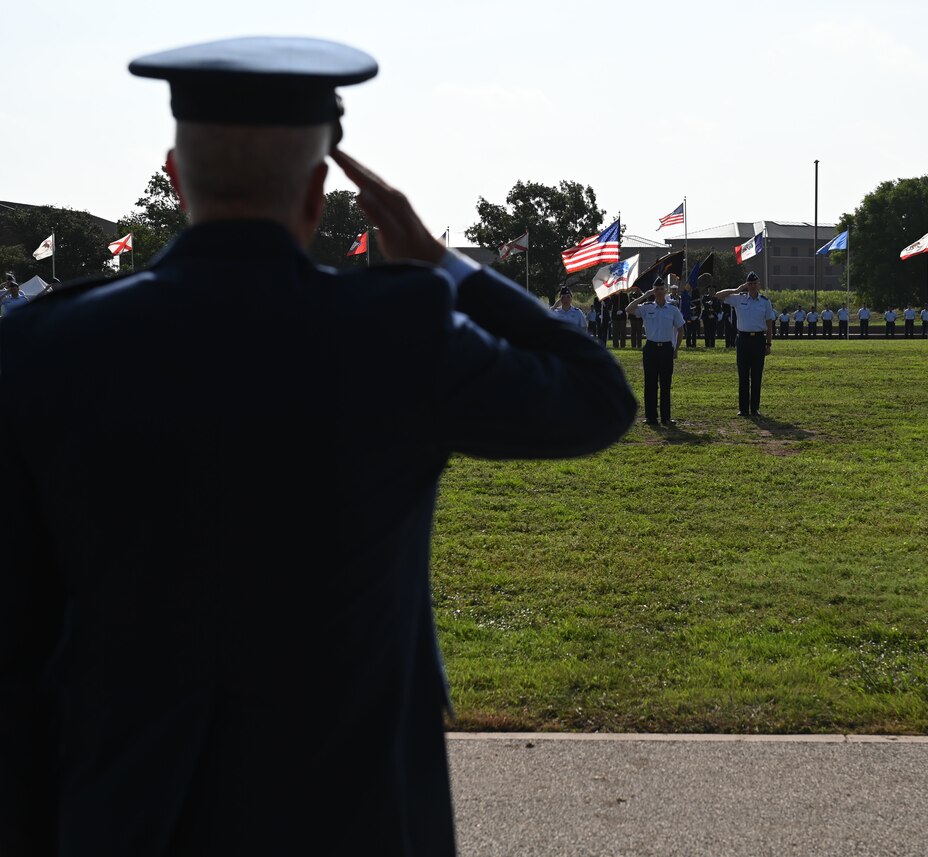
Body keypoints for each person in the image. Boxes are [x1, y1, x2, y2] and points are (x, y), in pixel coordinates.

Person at [0, 37, 636, 857]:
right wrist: (447, 268)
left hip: (128, 816)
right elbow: (596, 397)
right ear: (318, 190)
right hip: (354, 814)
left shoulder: (43, 347)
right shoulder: (396, 331)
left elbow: (15, 656)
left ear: (174, 175)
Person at [627, 276, 685, 426]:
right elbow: (629, 309)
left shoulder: (673, 309)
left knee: (665, 384)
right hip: (651, 348)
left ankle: (666, 417)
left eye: (661, 289)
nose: (659, 292)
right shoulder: (646, 307)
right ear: (653, 291)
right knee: (650, 384)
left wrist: (676, 349)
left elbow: (680, 329)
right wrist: (645, 295)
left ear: (666, 290)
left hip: (666, 348)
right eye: (656, 289)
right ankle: (651, 417)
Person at [716, 271, 775, 416]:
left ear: (759, 284)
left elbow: (769, 323)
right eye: (750, 284)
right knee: (743, 376)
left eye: (755, 284)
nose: (752, 286)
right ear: (746, 285)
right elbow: (718, 295)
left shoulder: (765, 301)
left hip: (758, 341)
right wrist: (737, 289)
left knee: (756, 376)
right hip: (743, 340)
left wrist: (768, 344)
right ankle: (743, 409)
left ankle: (754, 408)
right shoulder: (739, 298)